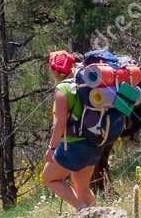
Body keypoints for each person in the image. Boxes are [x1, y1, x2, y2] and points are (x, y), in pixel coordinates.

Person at [42, 50, 100, 209]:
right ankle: (95, 216)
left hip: (73, 146)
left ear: (55, 70)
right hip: (93, 143)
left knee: (50, 178)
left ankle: (81, 209)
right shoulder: (85, 83)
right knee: (82, 187)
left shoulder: (63, 89)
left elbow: (60, 123)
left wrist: (51, 148)